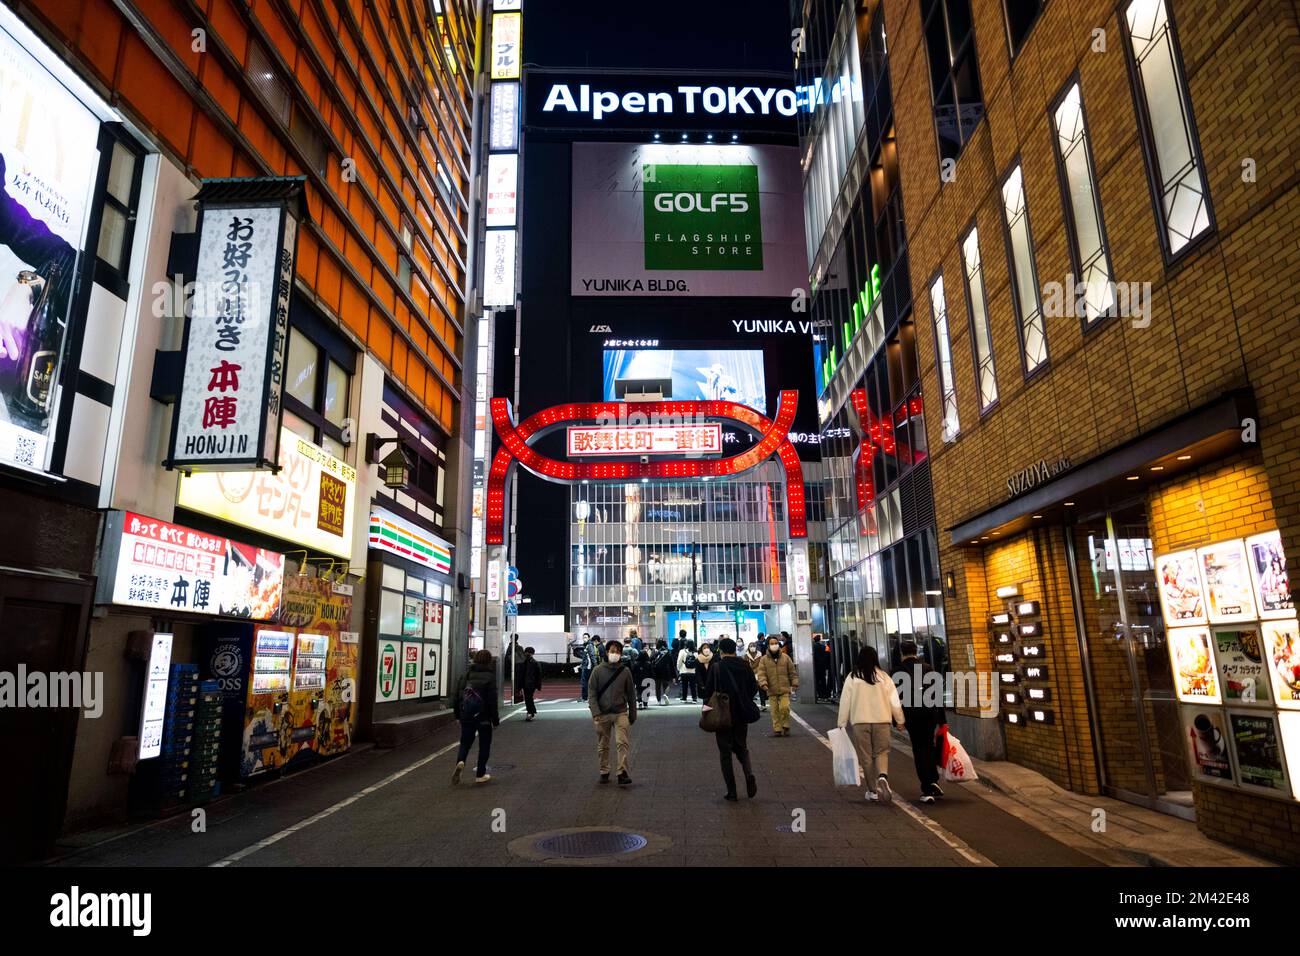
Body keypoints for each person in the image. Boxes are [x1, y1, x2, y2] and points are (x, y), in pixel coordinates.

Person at [837, 646, 905, 803]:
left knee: (866, 756)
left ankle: (872, 791)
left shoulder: (853, 677)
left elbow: (845, 701)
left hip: (860, 722)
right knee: (881, 752)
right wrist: (900, 720)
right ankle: (882, 776)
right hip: (882, 721)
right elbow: (894, 701)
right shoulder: (884, 677)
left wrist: (841, 722)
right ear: (875, 658)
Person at [702, 637, 761, 801]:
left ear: (720, 651)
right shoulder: (744, 665)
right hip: (741, 714)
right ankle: (749, 774)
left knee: (725, 753)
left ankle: (732, 791)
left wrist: (706, 712)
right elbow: (753, 688)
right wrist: (744, 699)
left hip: (722, 716)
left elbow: (708, 693)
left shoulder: (716, 667)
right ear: (735, 649)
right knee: (742, 747)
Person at [892, 639, 947, 803]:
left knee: (919, 749)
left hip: (911, 716)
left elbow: (894, 699)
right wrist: (942, 720)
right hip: (929, 715)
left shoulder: (897, 671)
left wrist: (897, 721)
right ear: (916, 651)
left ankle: (927, 787)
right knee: (929, 746)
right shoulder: (928, 668)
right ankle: (933, 780)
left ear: (902, 653)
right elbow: (937, 696)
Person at [587, 639, 637, 785]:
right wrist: (596, 712)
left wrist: (632, 714)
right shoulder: (597, 670)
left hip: (621, 712)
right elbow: (592, 693)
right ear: (607, 652)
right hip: (602, 714)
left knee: (622, 743)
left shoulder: (625, 671)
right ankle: (604, 770)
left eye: (618, 651)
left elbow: (631, 694)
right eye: (612, 651)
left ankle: (622, 772)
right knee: (603, 744)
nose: (615, 653)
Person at [452, 649, 500, 784]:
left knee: (465, 743)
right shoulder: (490, 677)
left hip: (466, 715)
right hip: (483, 716)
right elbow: (492, 701)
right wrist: (495, 720)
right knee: (484, 744)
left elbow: (457, 696)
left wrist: (457, 715)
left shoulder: (466, 675)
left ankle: (460, 762)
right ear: (489, 661)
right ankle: (480, 774)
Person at [756, 634, 799, 736]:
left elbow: (792, 672)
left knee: (784, 707)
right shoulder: (764, 659)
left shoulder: (786, 658)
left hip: (784, 688)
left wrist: (794, 683)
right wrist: (763, 684)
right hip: (771, 689)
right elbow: (761, 674)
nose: (774, 645)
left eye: (775, 643)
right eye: (771, 644)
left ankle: (786, 725)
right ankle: (777, 729)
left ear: (778, 645)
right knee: (774, 710)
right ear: (768, 646)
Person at [520, 646, 543, 721]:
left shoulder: (534, 663)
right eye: (526, 652)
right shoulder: (524, 662)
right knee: (528, 698)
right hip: (525, 683)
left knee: (528, 698)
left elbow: (538, 675)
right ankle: (530, 712)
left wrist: (538, 685)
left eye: (528, 652)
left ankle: (530, 712)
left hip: (531, 684)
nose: (527, 654)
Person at [745, 641, 767, 710]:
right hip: (749, 674)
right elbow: (745, 665)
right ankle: (750, 704)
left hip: (759, 673)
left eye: (753, 646)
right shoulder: (746, 655)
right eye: (751, 646)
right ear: (748, 647)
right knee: (750, 690)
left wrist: (757, 671)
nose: (752, 647)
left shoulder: (759, 655)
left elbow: (761, 664)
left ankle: (763, 704)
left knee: (761, 689)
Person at [580, 634, 603, 702]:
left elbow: (592, 656)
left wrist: (596, 666)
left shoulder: (589, 645)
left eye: (586, 637)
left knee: (584, 682)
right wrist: (581, 665)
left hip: (588, 667)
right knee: (588, 682)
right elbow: (585, 658)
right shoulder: (586, 645)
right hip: (586, 666)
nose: (584, 638)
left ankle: (585, 697)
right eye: (583, 637)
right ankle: (588, 697)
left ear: (589, 638)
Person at [652, 640, 675, 705]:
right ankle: (665, 694)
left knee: (658, 686)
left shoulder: (655, 651)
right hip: (666, 671)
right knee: (666, 684)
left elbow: (650, 659)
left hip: (657, 671)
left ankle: (658, 701)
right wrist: (674, 675)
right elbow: (671, 664)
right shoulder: (668, 652)